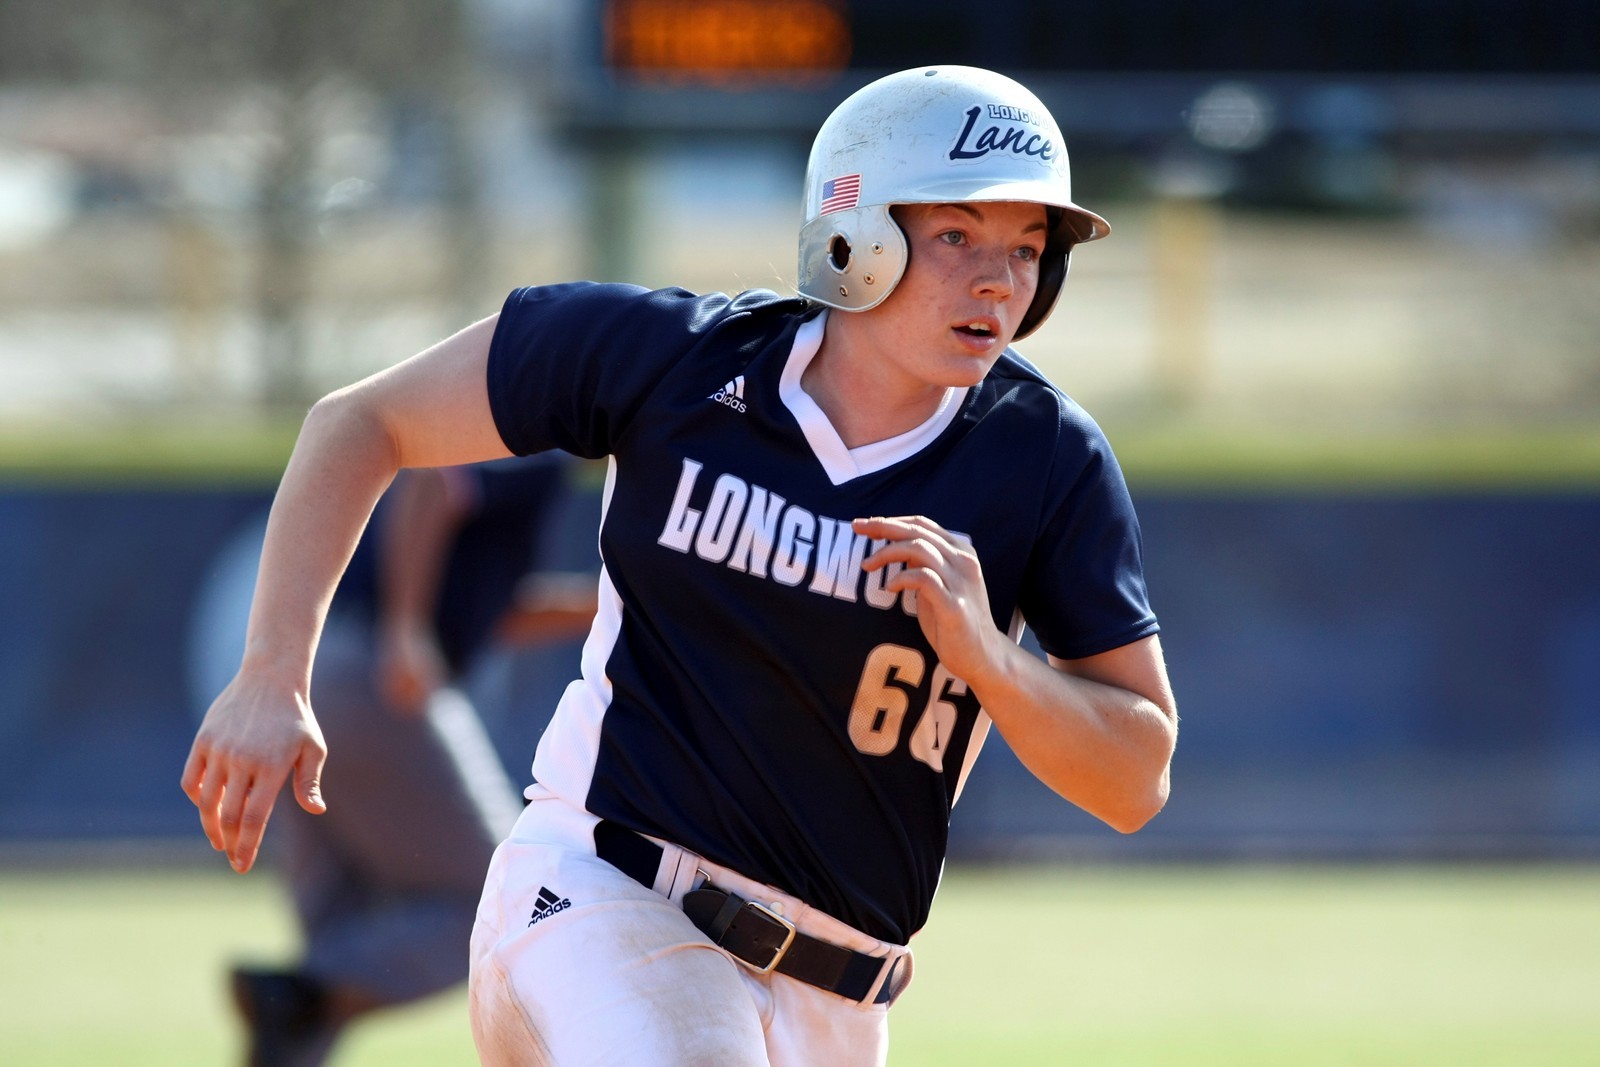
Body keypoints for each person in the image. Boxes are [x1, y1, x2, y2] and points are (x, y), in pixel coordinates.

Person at [183, 65, 1178, 1066]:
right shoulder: (678, 361)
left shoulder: (1046, 458)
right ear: (855, 228)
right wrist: (271, 672)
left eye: (1025, 247)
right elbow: (362, 420)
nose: (998, 279)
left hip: (841, 992)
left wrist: (994, 662)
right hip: (605, 896)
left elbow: (1135, 776)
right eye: (957, 235)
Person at [224, 456, 597, 1066]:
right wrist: (405, 628)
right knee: (501, 895)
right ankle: (298, 995)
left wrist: (603, 603)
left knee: (341, 929)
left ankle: (293, 1005)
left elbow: (486, 612)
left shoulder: (542, 444)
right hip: (371, 677)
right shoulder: (542, 429)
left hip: (329, 675)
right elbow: (432, 482)